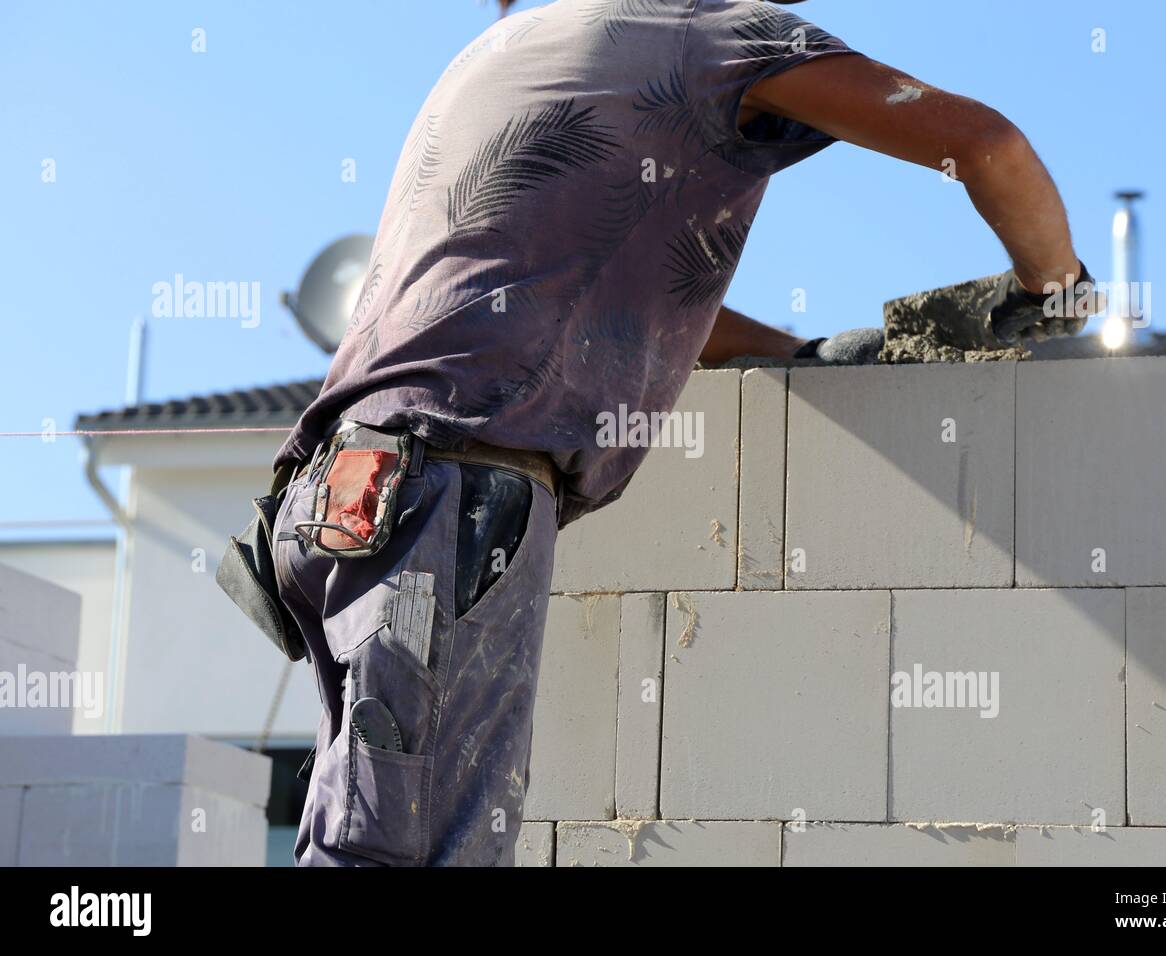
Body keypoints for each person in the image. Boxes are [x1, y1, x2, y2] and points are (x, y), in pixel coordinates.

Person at [269, 0, 1092, 866]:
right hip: (452, 498)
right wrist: (1054, 289)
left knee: (362, 839)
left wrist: (805, 354)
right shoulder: (720, 35)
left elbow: (602, 294)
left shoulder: (514, 47)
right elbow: (989, 146)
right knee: (419, 853)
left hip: (345, 490)